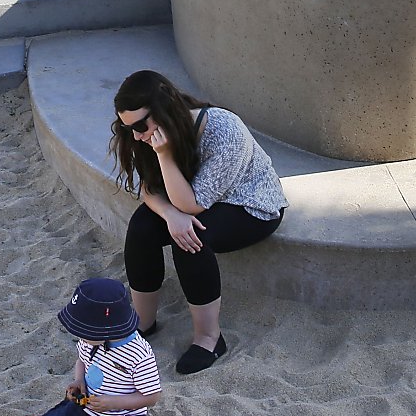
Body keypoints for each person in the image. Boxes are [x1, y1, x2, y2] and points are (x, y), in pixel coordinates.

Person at [110, 69, 286, 375]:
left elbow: (191, 205)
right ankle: (143, 322)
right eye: (129, 129)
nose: (136, 136)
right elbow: (148, 188)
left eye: (140, 126)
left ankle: (209, 338)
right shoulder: (145, 133)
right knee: (142, 227)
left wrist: (164, 156)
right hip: (191, 198)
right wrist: (170, 215)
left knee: (191, 239)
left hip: (249, 203)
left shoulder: (223, 130)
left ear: (164, 110)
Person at [31, 278, 178, 416]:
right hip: (84, 405)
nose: (78, 335)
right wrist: (78, 381)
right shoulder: (90, 340)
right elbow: (81, 361)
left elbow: (152, 396)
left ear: (106, 329)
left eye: (83, 330)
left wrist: (113, 403)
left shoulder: (138, 353)